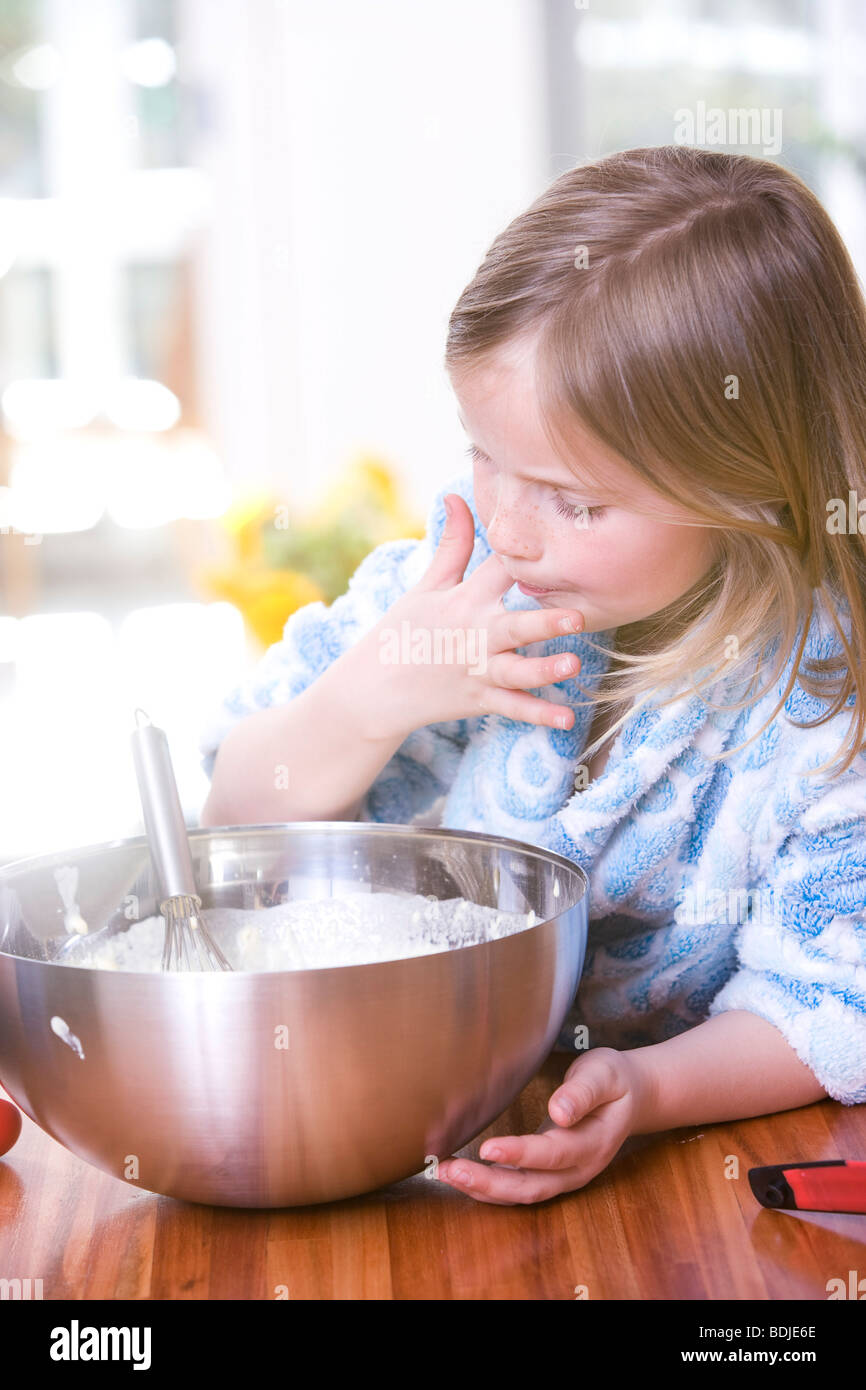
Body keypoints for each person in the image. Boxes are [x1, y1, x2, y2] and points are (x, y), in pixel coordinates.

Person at [199, 146, 866, 1205]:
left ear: (750, 484)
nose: (506, 526)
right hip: (368, 1101)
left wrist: (644, 1091)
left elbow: (824, 1002)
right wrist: (369, 698)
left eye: (575, 500)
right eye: (483, 453)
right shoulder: (443, 594)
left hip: (665, 1176)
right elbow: (232, 818)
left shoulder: (825, 709)